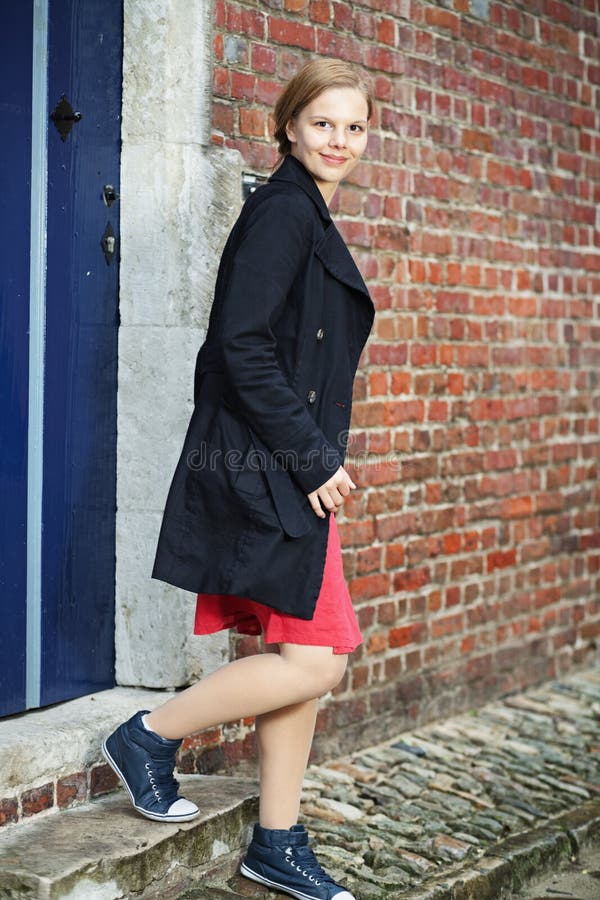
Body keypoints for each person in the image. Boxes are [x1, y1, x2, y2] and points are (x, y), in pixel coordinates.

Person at [103, 58, 375, 900]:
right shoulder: (286, 212)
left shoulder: (304, 211)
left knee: (304, 654)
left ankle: (276, 841)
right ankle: (148, 734)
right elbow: (240, 345)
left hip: (282, 465)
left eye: (355, 127)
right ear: (290, 126)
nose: (340, 140)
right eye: (323, 123)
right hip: (275, 466)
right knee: (318, 660)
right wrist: (313, 457)